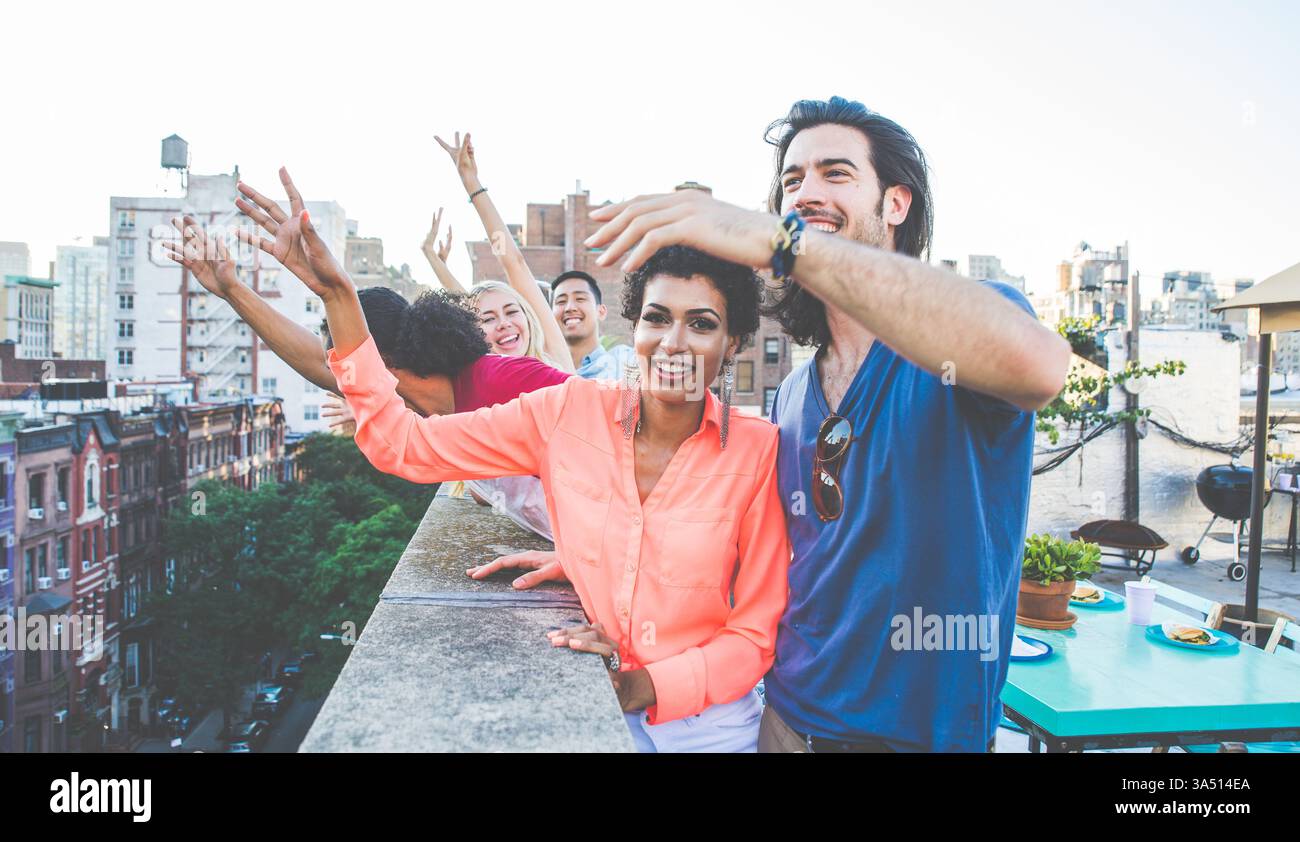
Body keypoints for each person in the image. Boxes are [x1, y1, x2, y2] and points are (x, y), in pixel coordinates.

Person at [583, 96, 1072, 752]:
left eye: (835, 174)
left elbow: (1040, 366)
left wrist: (783, 241)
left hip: (916, 737)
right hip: (785, 717)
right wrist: (590, 555)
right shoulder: (790, 396)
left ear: (896, 205)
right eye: (792, 181)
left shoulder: (956, 342)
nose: (806, 193)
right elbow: (740, 544)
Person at [297, 186, 788, 750]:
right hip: (592, 704)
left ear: (733, 345)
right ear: (635, 328)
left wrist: (639, 684)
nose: (673, 342)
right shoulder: (567, 412)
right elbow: (403, 446)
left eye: (701, 324)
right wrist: (340, 298)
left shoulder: (757, 451)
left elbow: (752, 636)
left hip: (711, 727)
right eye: (658, 318)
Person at [434, 132, 573, 371]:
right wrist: (431, 257)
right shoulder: (472, 387)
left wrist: (471, 183)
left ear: (529, 319)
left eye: (511, 311)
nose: (504, 323)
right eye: (488, 319)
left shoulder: (553, 360)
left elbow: (513, 263)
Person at [550, 270, 636, 379]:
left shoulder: (625, 362)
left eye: (580, 299)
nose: (570, 308)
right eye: (561, 301)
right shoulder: (543, 370)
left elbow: (662, 386)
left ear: (601, 311)